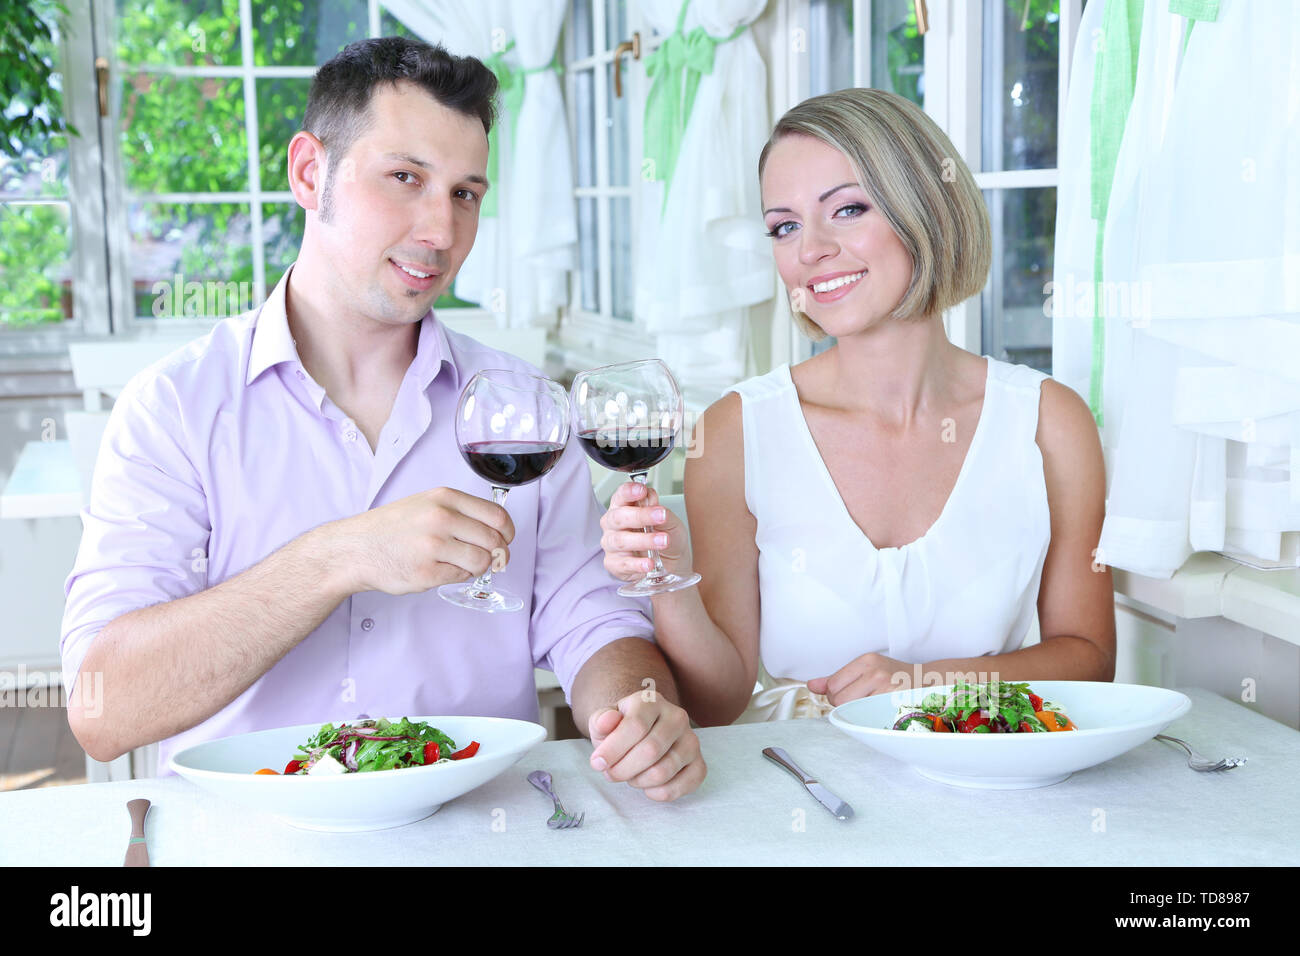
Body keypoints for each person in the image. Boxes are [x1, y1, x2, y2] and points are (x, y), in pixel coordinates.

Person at [61, 37, 704, 801]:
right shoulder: (174, 408)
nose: (441, 231)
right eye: (405, 178)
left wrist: (632, 710)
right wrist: (337, 559)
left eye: (465, 193)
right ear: (310, 172)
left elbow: (592, 621)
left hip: (478, 831)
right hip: (253, 839)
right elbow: (104, 711)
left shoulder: (525, 406)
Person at [598, 88, 1116, 724]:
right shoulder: (736, 431)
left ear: (926, 207)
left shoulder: (1049, 422)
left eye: (846, 210)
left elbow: (1090, 660)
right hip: (800, 786)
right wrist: (670, 583)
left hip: (989, 782)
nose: (809, 250)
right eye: (785, 226)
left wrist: (926, 684)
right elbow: (718, 702)